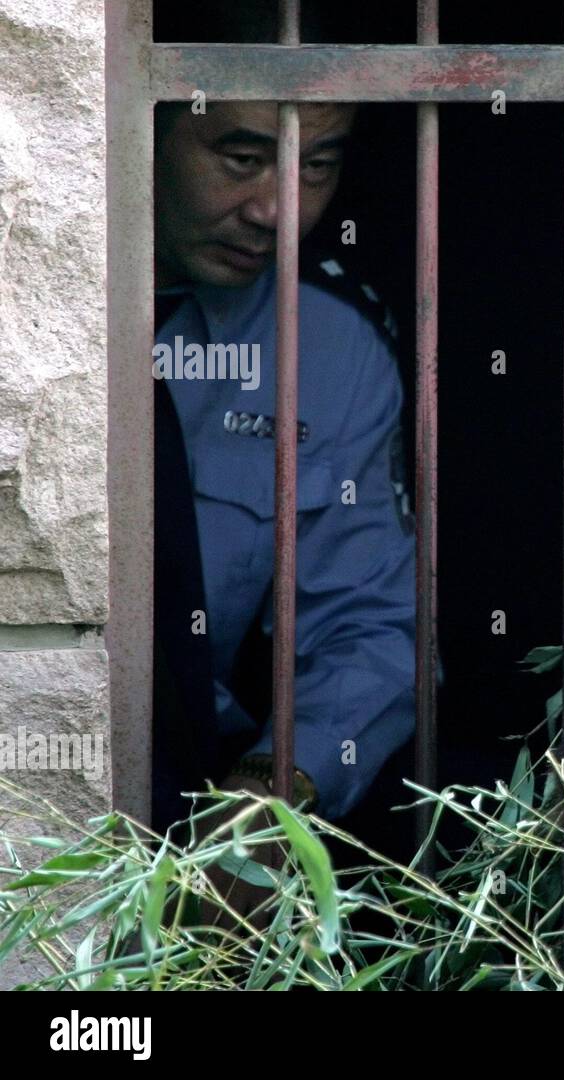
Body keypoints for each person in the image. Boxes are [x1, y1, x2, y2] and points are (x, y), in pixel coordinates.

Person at [150, 95, 417, 858]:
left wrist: (275, 786)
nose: (278, 211)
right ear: (139, 125)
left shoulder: (329, 345)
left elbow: (373, 621)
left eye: (318, 166)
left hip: (203, 794)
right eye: (241, 160)